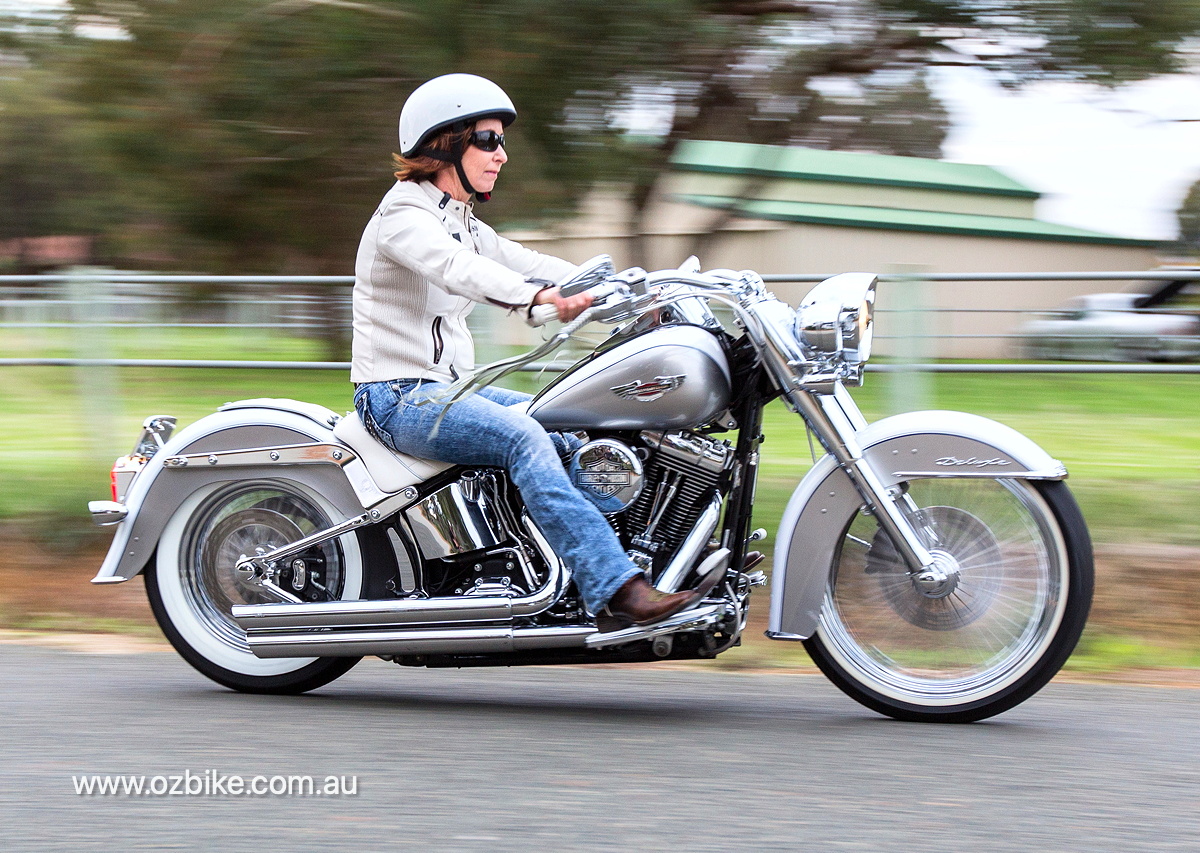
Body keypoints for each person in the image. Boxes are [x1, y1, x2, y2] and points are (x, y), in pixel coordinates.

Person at [350, 73, 719, 631]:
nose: (502, 154)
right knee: (524, 437)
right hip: (397, 397)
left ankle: (589, 564)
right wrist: (536, 301)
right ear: (445, 141)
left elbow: (527, 260)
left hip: (445, 389)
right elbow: (462, 271)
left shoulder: (460, 220)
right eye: (489, 140)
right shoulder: (404, 217)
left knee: (567, 423)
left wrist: (631, 291)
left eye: (501, 141)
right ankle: (615, 589)